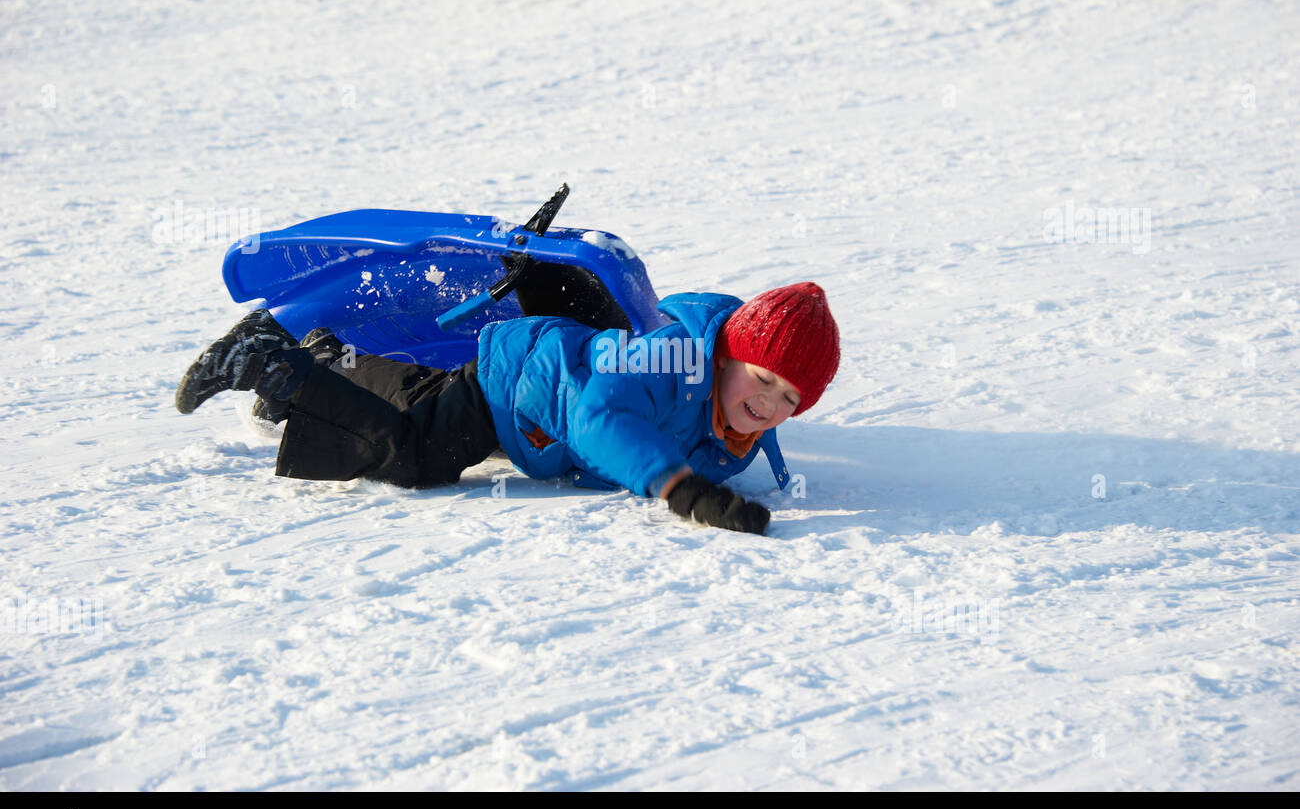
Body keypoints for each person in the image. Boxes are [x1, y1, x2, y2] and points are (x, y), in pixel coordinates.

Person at [174, 282, 839, 535]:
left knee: (410, 399)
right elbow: (597, 419)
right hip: (517, 391)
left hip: (524, 409)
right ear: (727, 356)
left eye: (791, 397)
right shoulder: (669, 356)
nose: (769, 403)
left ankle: (321, 356)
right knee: (411, 454)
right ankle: (268, 358)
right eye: (762, 377)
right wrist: (679, 488)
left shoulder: (741, 425)